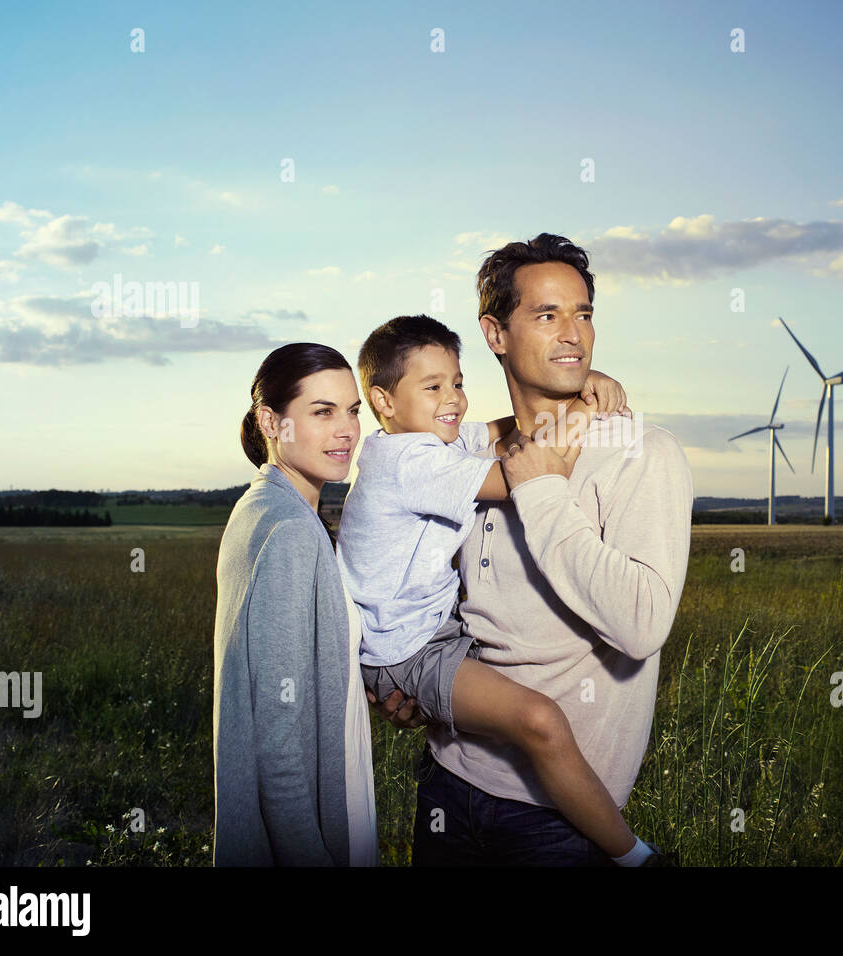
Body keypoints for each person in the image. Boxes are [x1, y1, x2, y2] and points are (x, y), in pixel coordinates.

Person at [369, 233, 693, 866]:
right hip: (448, 778)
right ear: (495, 333)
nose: (573, 333)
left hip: (561, 818)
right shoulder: (460, 456)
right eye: (547, 315)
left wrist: (540, 488)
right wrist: (412, 687)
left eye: (584, 314)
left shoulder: (644, 454)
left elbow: (641, 624)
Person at [212, 343, 377, 866]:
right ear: (271, 422)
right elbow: (275, 742)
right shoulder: (287, 530)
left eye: (352, 411)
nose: (347, 430)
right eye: (322, 412)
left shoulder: (261, 504)